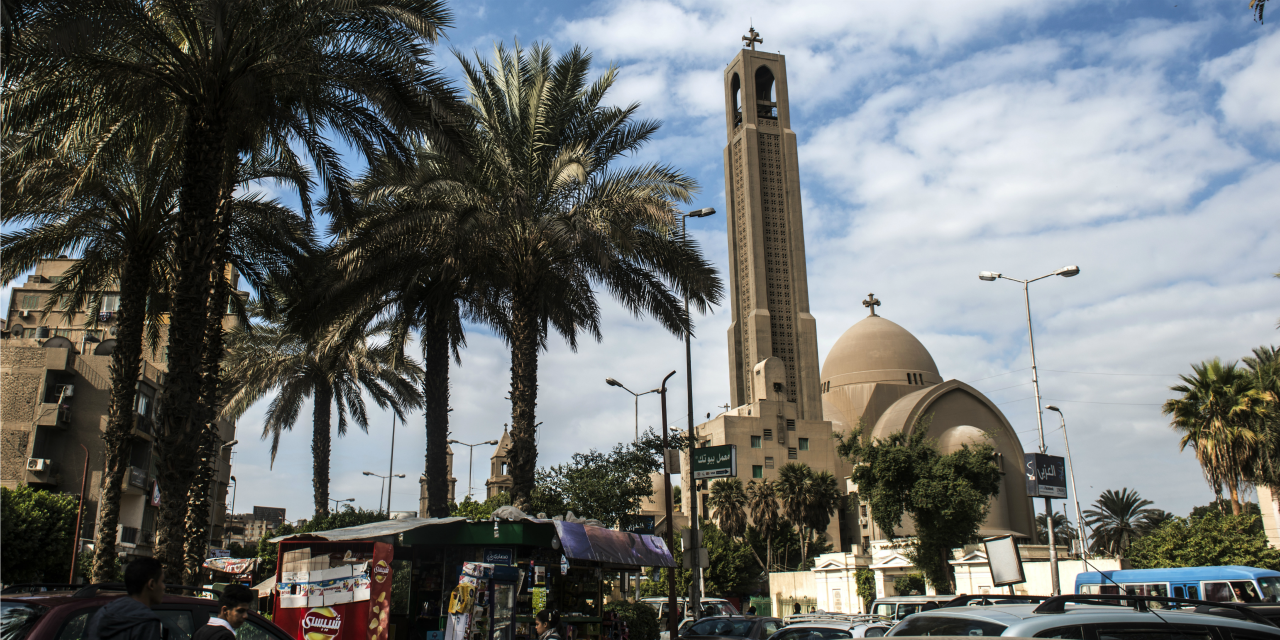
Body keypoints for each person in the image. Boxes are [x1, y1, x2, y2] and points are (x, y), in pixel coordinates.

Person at [85, 558, 166, 640]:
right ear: (151, 584)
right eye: (162, 581)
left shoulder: (102, 613)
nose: (164, 587)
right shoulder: (147, 622)